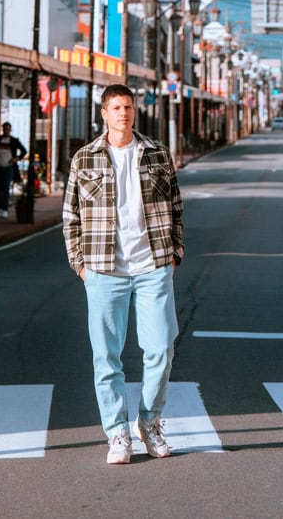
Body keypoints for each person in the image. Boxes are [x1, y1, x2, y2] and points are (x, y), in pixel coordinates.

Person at [63, 84, 184, 466]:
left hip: (153, 265)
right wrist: (80, 264)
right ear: (104, 113)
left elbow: (175, 205)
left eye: (128, 106)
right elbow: (70, 216)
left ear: (135, 111)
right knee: (106, 357)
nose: (123, 113)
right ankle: (117, 432)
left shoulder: (157, 153)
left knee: (161, 349)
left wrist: (174, 252)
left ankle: (149, 422)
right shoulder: (85, 158)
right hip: (104, 269)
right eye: (116, 107)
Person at [0, 122, 27, 219]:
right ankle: (0, 207)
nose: (6, 131)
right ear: (2, 130)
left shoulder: (14, 141)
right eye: (4, 129)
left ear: (10, 130)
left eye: (8, 129)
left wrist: (16, 158)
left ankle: (5, 209)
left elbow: (24, 151)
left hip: (8, 167)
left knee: (5, 187)